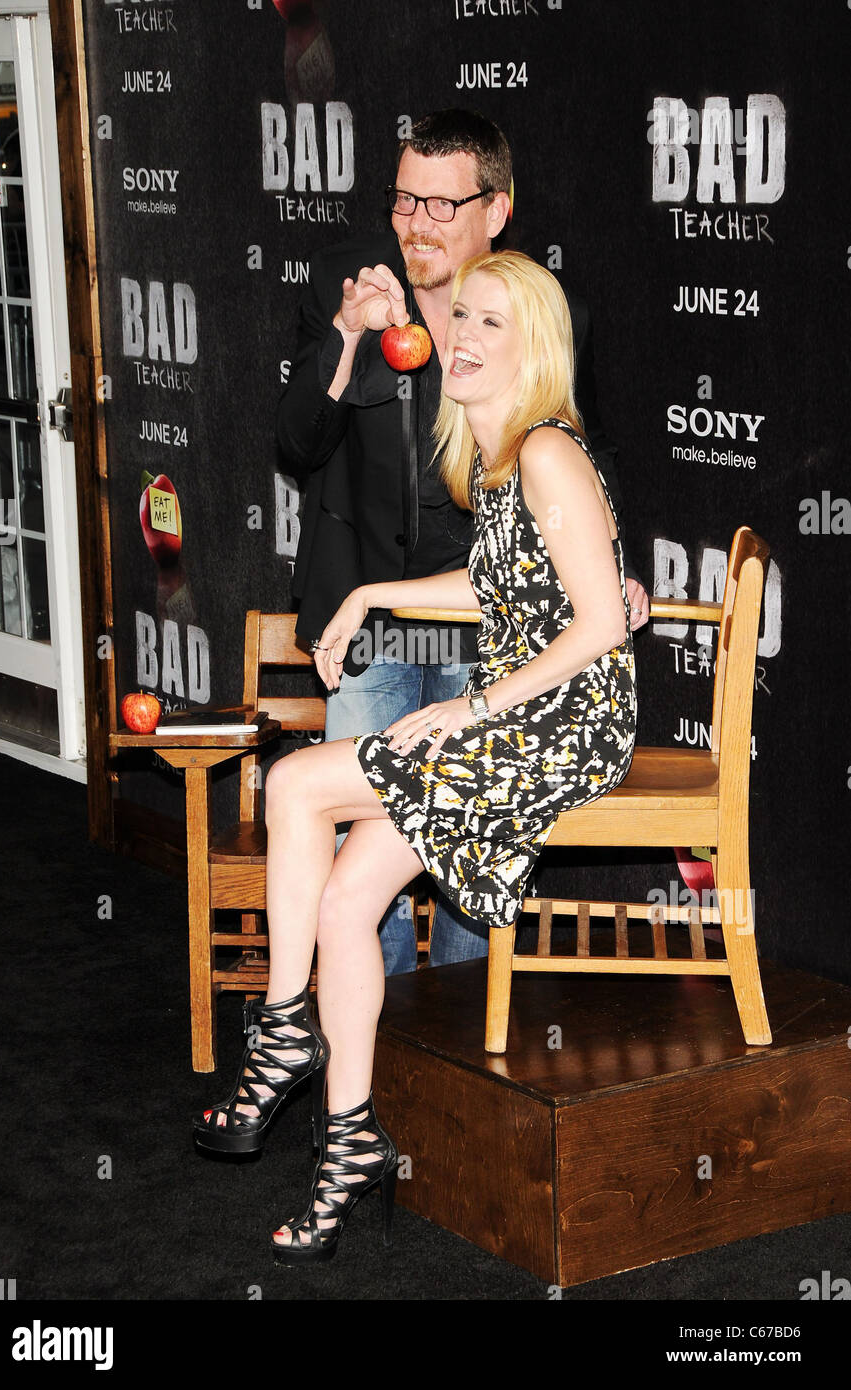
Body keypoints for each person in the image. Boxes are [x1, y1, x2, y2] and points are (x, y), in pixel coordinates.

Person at [195, 250, 637, 1264]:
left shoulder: (541, 452)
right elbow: (504, 592)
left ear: (534, 347)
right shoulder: (490, 454)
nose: (467, 339)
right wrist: (367, 595)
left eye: (493, 324)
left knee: (300, 781)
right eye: (462, 321)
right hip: (521, 710)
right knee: (350, 900)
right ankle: (348, 1138)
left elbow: (602, 621)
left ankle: (281, 1029)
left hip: (560, 721)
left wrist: (470, 706)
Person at [277, 108, 649, 976]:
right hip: (376, 621)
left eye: (443, 205)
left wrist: (609, 571)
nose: (416, 223)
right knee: (360, 859)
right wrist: (346, 334)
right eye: (405, 200)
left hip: (489, 635)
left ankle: (452, 1049)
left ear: (496, 210)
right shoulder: (344, 284)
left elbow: (586, 458)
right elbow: (296, 445)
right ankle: (377, 1044)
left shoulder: (550, 313)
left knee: (462, 867)